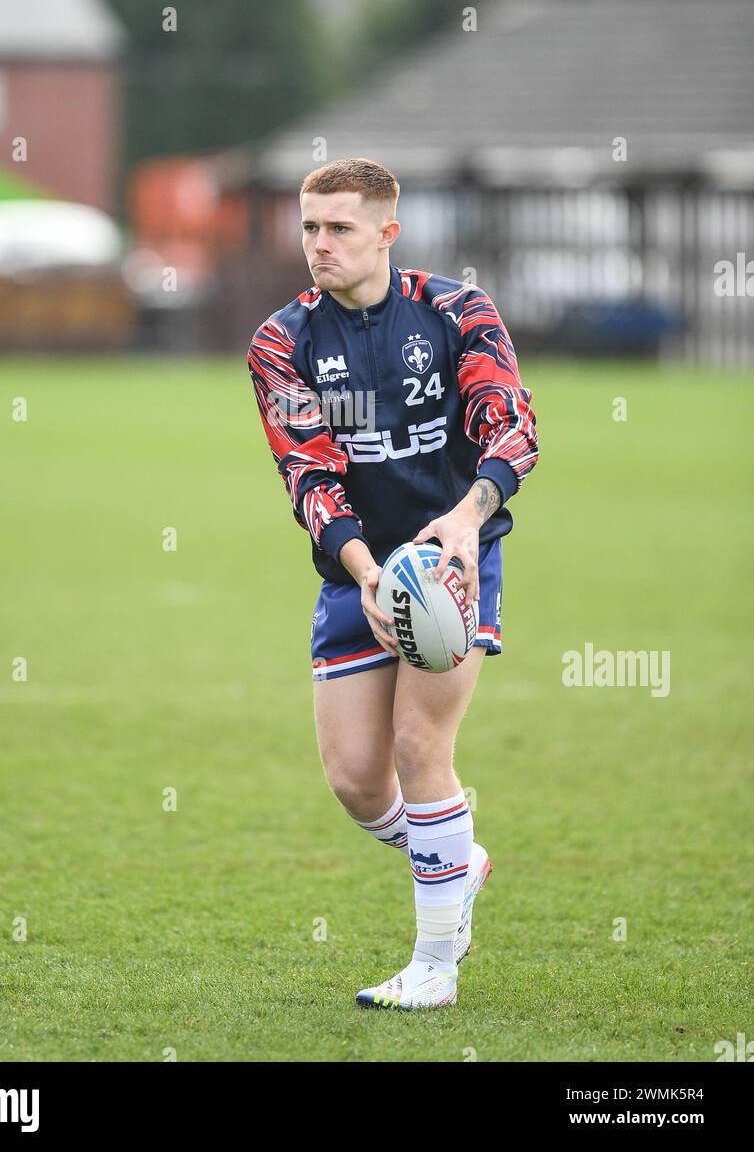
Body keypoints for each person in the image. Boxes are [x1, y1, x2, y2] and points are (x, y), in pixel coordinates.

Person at [247, 158, 539, 1010]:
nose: (319, 245)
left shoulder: (456, 312)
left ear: (387, 233)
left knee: (420, 750)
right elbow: (308, 474)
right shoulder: (282, 340)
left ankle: (436, 968)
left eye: (339, 227)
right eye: (310, 226)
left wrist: (467, 517)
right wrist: (368, 574)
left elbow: (511, 426)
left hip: (451, 562)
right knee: (356, 782)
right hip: (356, 572)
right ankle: (456, 856)